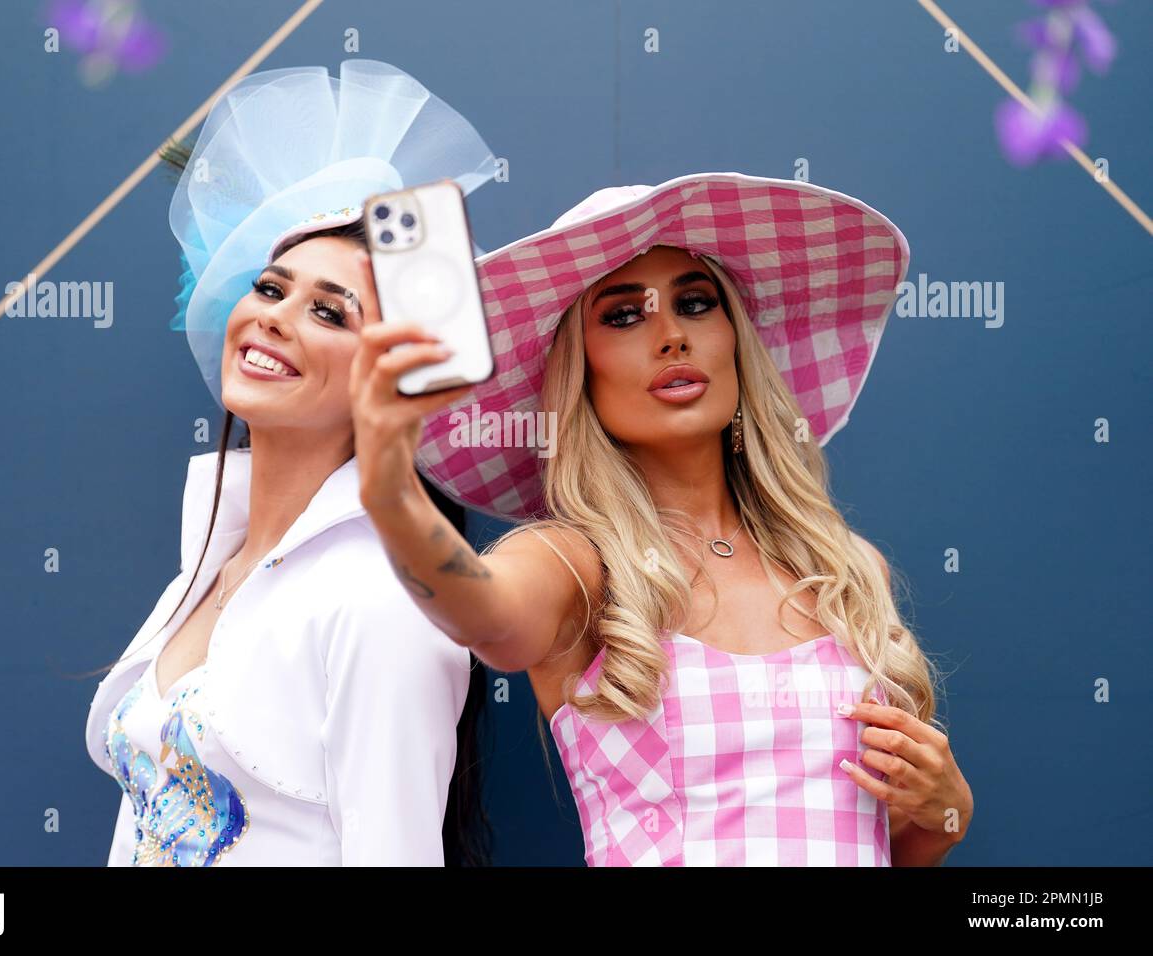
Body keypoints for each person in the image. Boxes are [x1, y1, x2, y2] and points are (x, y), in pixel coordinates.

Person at [350, 172, 974, 866]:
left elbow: (885, 847)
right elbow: (486, 618)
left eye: (697, 303)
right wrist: (389, 492)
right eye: (622, 316)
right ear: (577, 370)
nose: (672, 335)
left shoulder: (849, 568)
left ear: (735, 340)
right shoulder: (576, 564)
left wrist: (944, 814)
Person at [82, 60, 497, 866]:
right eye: (270, 288)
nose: (275, 320)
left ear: (393, 374)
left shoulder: (387, 602)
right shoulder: (206, 574)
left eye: (329, 312)